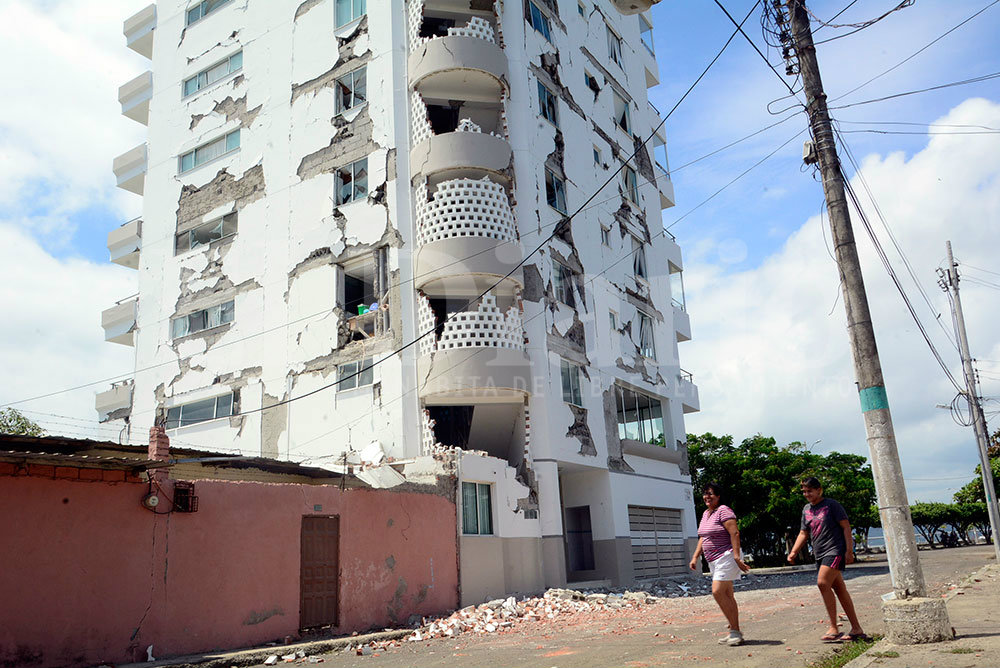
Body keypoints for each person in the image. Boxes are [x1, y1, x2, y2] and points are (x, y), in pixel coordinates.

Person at [788, 476, 868, 642]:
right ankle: (856, 628)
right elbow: (804, 533)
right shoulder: (806, 510)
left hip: (835, 550)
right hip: (820, 553)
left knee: (822, 583)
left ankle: (834, 627)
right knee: (839, 588)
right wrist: (793, 552)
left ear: (819, 490)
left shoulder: (832, 505)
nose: (806, 494)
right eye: (804, 491)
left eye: (810, 490)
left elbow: (846, 527)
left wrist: (849, 551)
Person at [689, 482, 751, 646]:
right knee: (728, 595)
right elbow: (703, 537)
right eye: (705, 494)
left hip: (727, 556)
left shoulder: (724, 511)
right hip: (713, 559)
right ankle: (734, 631)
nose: (707, 497)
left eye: (710, 494)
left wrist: (737, 558)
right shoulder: (706, 514)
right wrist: (695, 557)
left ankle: (736, 631)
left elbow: (734, 533)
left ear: (718, 496)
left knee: (717, 592)